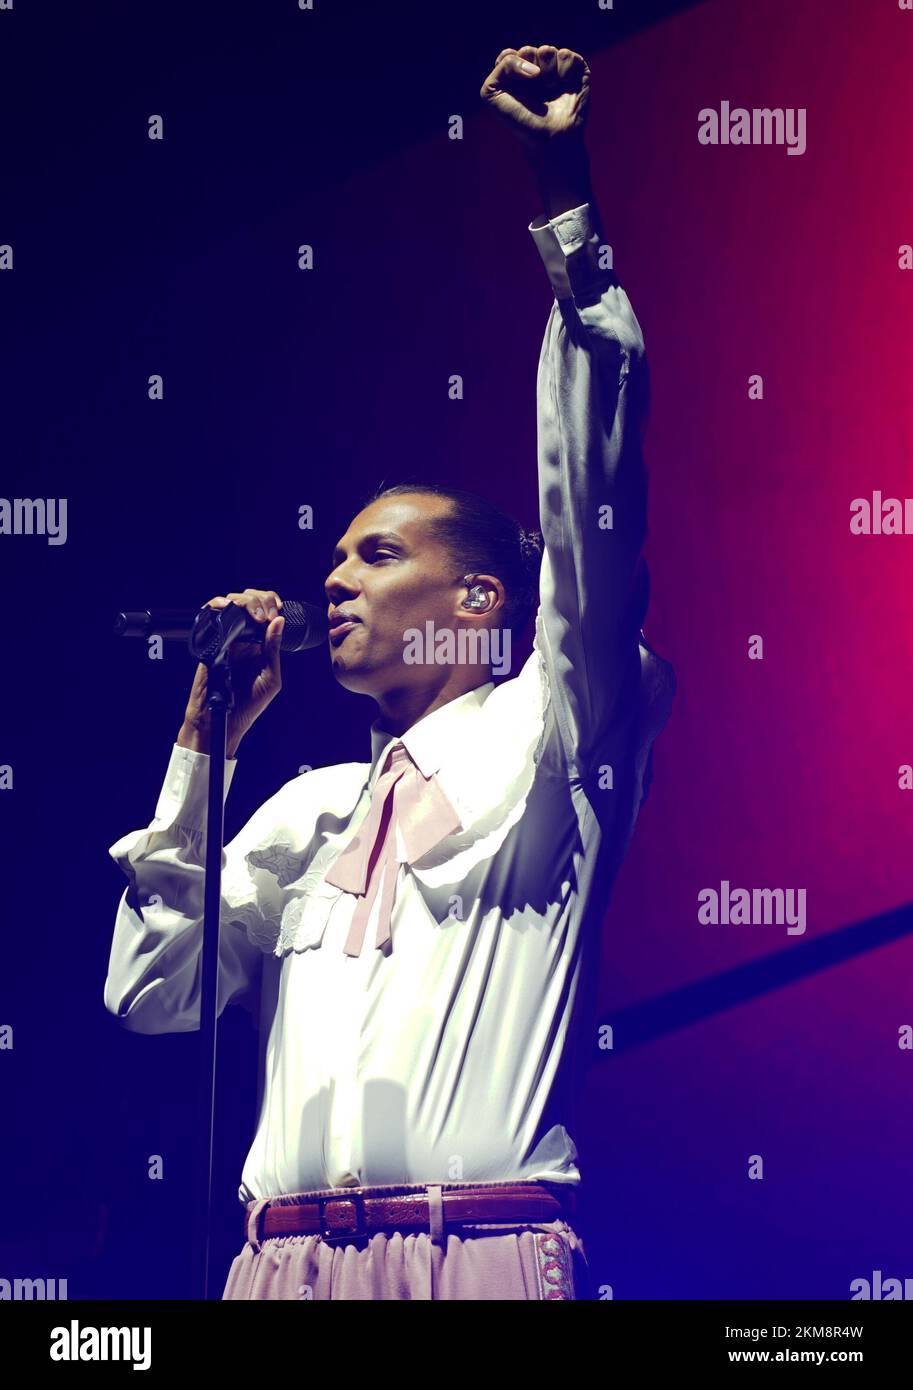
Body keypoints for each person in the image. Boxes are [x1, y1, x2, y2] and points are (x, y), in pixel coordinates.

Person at [104, 42, 675, 1301]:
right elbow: (150, 994)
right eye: (332, 560)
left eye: (376, 553)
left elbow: (595, 516)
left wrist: (561, 194)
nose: (334, 582)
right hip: (278, 1266)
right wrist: (203, 746)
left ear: (477, 597)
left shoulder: (554, 730)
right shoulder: (304, 810)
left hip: (477, 1249)